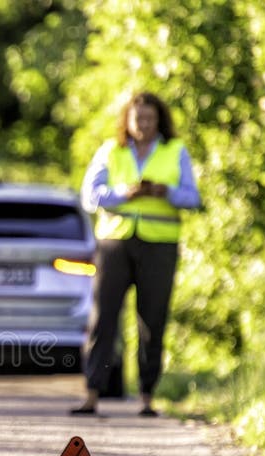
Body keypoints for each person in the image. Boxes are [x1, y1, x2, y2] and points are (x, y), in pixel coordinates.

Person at [71, 91, 201, 417]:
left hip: (159, 245)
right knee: (104, 319)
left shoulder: (175, 151)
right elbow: (90, 196)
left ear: (159, 121)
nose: (143, 125)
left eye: (150, 119)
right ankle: (92, 393)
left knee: (151, 320)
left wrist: (164, 191)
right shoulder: (111, 151)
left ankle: (146, 396)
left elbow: (192, 197)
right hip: (115, 244)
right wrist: (124, 194)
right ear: (127, 120)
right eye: (138, 118)